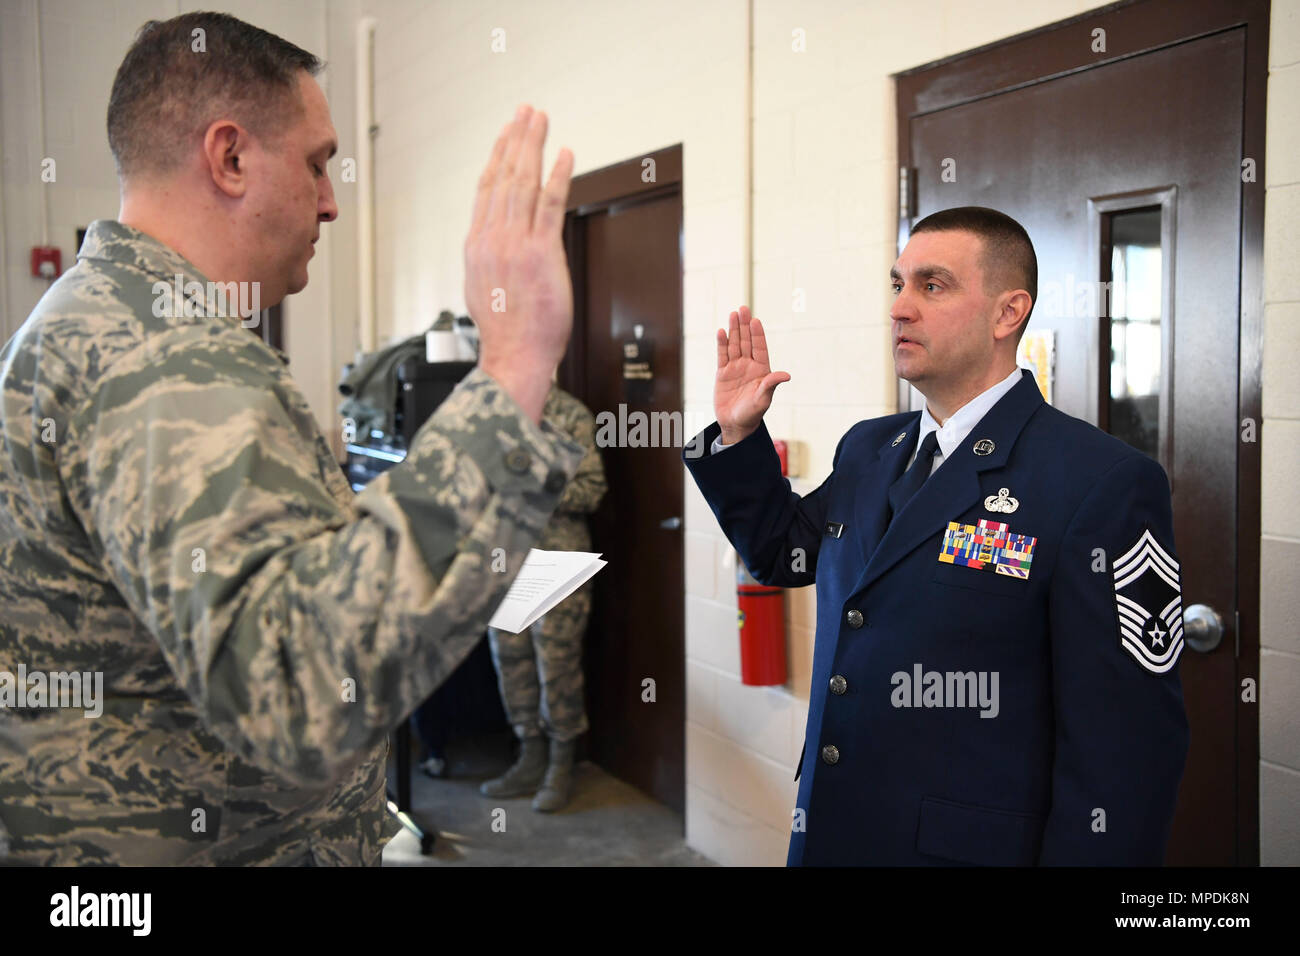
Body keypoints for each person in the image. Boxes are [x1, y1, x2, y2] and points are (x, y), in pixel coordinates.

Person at [0, 12, 578, 865]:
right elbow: (297, 689)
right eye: (317, 163)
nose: (333, 200)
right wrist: (516, 363)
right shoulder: (167, 354)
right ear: (229, 157)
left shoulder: (105, 318)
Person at [684, 206, 1189, 866]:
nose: (899, 308)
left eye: (932, 285)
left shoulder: (1100, 482)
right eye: (897, 284)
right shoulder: (871, 449)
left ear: (1008, 313)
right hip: (834, 831)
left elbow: (1126, 754)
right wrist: (740, 437)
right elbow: (782, 552)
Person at [481, 385, 606, 811]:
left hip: (557, 560)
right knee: (510, 659)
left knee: (556, 663)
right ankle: (529, 756)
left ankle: (561, 764)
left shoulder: (570, 415)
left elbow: (592, 489)